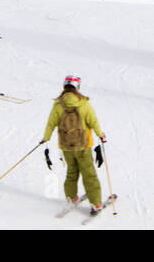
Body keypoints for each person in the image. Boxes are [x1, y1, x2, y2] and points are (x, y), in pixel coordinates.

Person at [41, 75, 107, 214]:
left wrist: (45, 138)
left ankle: (72, 197)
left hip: (66, 146)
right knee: (89, 174)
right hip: (83, 145)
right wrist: (100, 135)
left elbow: (51, 124)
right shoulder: (83, 103)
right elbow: (93, 121)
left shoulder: (59, 105)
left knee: (71, 172)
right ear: (78, 87)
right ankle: (96, 203)